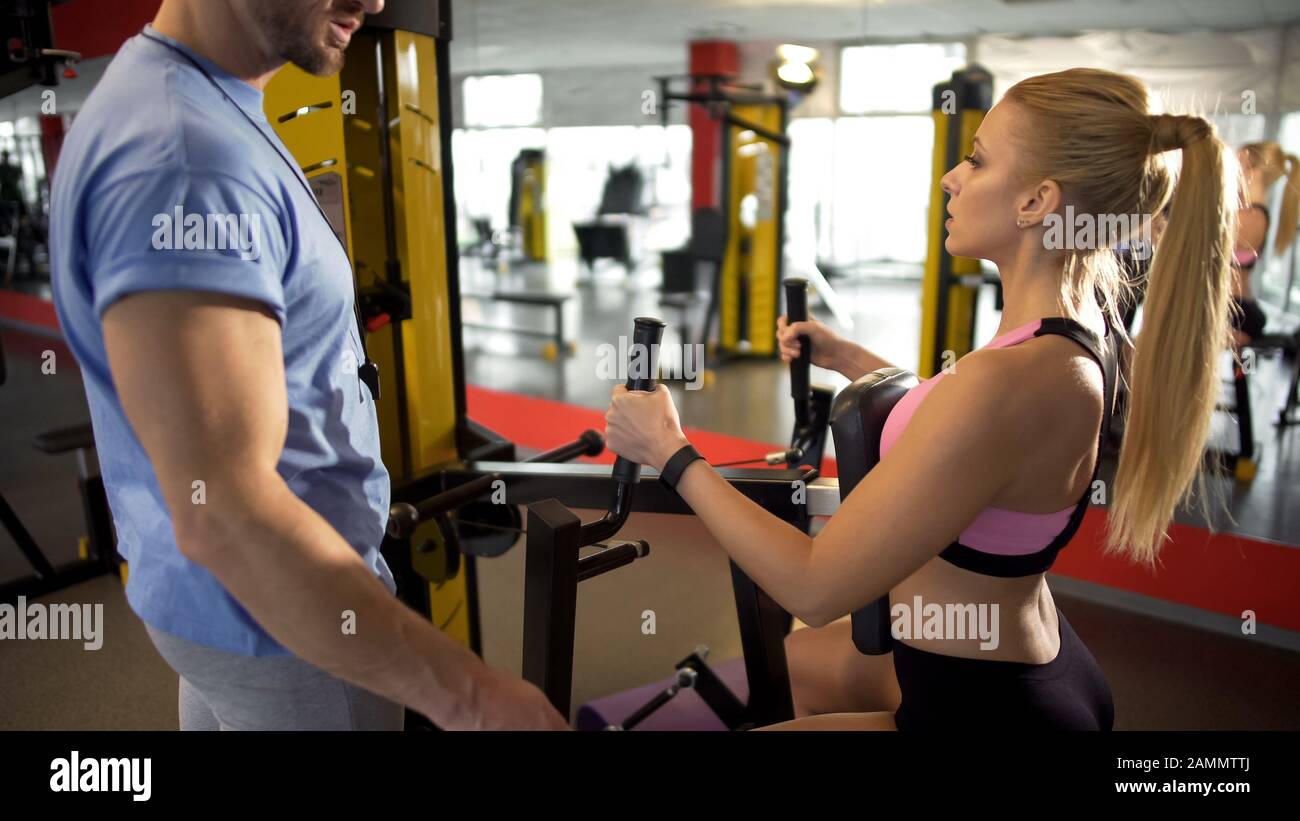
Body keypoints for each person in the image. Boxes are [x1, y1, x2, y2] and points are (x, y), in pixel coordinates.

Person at [603, 67, 1236, 730]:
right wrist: (846, 356)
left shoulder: (1014, 380)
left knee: (794, 641)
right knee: (788, 662)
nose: (951, 178)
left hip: (980, 706)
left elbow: (814, 585)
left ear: (1036, 202)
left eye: (978, 159)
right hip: (1017, 661)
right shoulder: (1067, 338)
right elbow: (959, 418)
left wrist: (669, 450)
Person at [50, 0, 566, 730]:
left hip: (228, 614)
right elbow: (226, 513)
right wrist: (473, 698)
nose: (376, 0)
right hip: (291, 627)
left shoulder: (200, 101)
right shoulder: (186, 159)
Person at [1230, 141, 1299, 347]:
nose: (1232, 172)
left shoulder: (1252, 217)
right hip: (1233, 306)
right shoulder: (1248, 212)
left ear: (1255, 173)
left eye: (1237, 166)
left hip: (1235, 310)